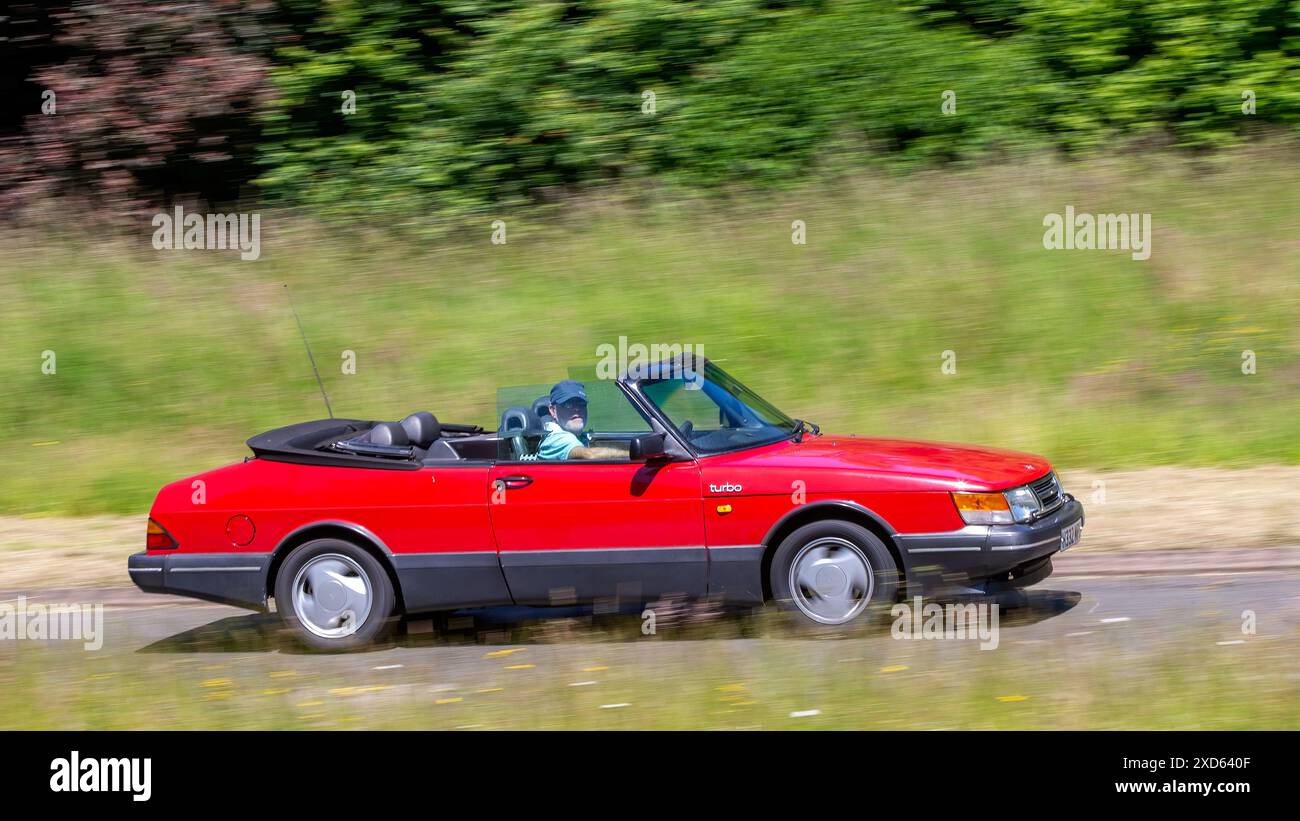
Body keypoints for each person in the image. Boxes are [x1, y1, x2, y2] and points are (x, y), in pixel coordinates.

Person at [537, 380, 626, 460]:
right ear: (553, 411)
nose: (577, 409)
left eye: (581, 403)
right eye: (568, 404)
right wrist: (631, 455)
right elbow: (590, 454)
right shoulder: (556, 438)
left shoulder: (575, 435)